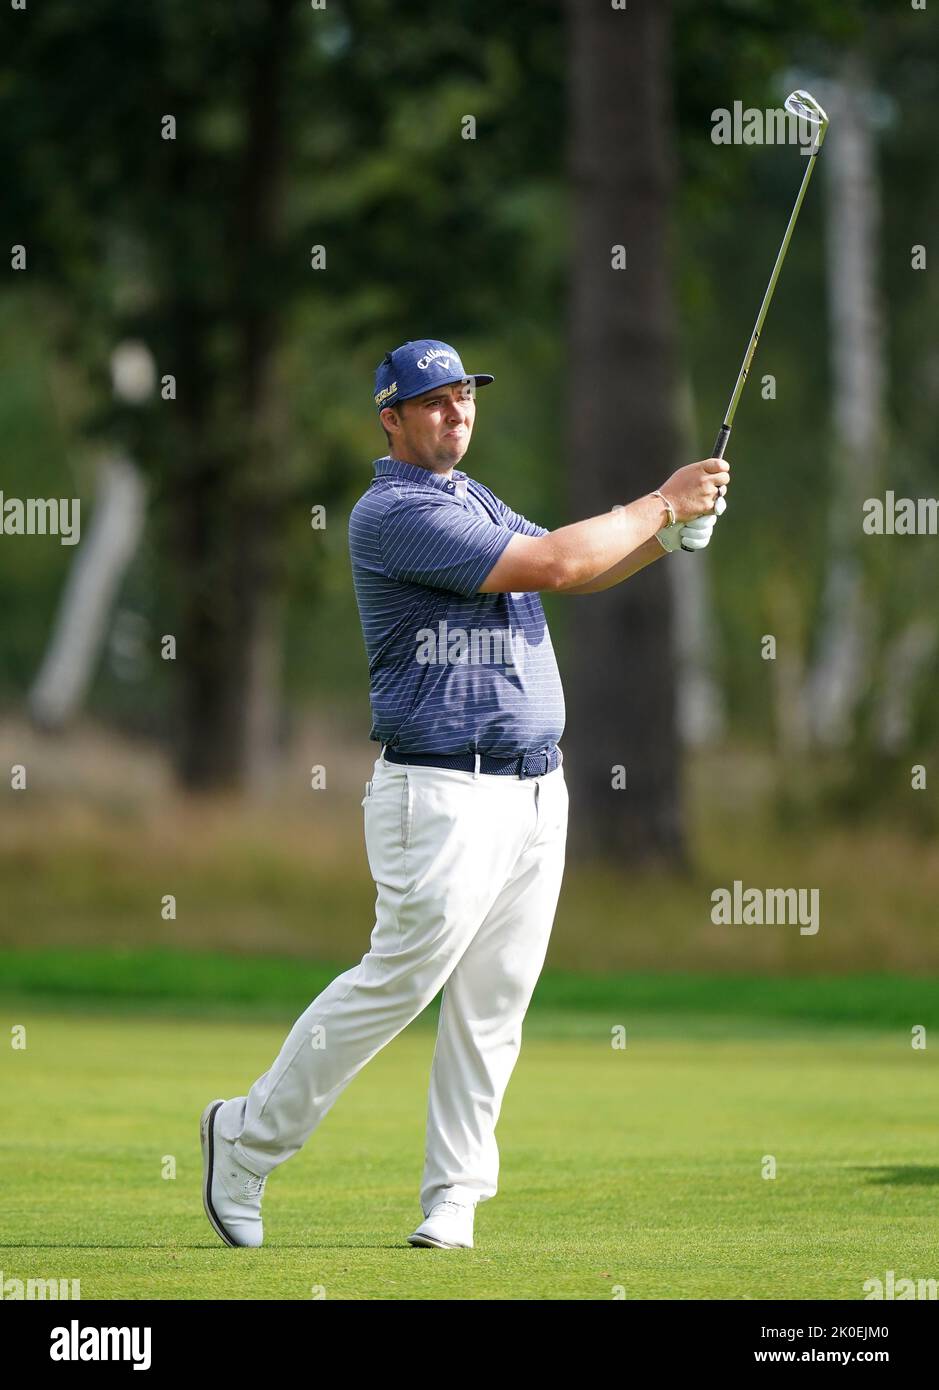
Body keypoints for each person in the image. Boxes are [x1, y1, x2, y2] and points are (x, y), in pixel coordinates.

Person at [201, 338, 729, 1250]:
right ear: (391, 418)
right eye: (434, 400)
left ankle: (453, 1198)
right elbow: (556, 564)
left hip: (532, 792)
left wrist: (667, 538)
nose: (456, 412)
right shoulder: (391, 512)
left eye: (465, 396)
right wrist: (658, 501)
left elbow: (580, 567)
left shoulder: (470, 497)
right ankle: (244, 1141)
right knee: (399, 980)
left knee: (493, 1004)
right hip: (440, 790)